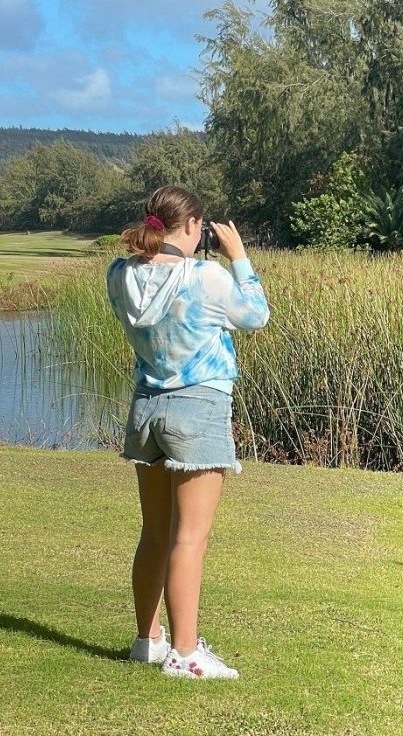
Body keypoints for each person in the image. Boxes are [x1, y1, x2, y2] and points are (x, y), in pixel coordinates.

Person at [104, 185, 270, 680]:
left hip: (146, 410)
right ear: (194, 226)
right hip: (197, 407)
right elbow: (256, 316)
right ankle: (186, 654)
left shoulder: (120, 274)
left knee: (155, 534)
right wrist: (240, 258)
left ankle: (148, 640)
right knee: (190, 539)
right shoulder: (206, 275)